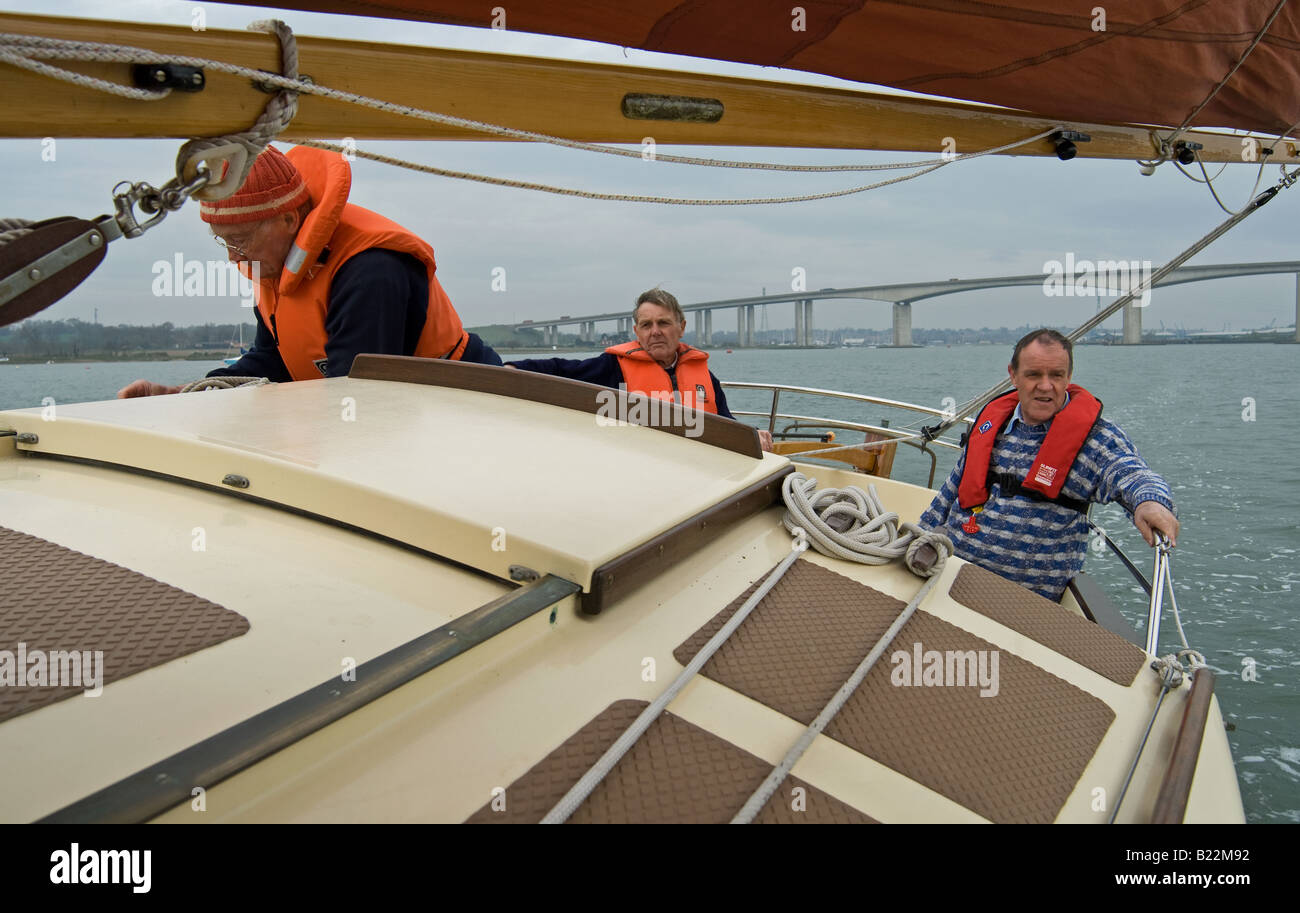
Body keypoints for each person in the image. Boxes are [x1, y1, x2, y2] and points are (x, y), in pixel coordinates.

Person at [118, 144, 500, 398]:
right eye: (224, 242)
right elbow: (272, 363)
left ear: (287, 219)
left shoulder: (370, 270)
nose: (235, 258)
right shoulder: (274, 269)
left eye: (241, 240)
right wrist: (186, 393)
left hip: (463, 399)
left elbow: (357, 400)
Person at [918, 328, 1179, 602]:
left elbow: (1131, 473)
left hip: (1029, 602)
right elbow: (948, 496)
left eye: (1056, 375)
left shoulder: (1096, 440)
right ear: (1013, 375)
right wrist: (917, 541)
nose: (1045, 386)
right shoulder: (991, 425)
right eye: (1033, 375)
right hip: (952, 580)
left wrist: (1150, 502)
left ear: (1068, 377)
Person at [508, 288, 736, 419]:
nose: (655, 332)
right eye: (647, 325)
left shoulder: (704, 376)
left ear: (682, 327)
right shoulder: (613, 367)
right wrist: (514, 369)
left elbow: (728, 423)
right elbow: (564, 369)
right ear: (637, 332)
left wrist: (754, 434)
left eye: (663, 323)